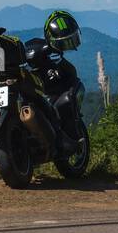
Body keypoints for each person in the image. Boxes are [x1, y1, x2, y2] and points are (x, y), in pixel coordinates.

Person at [24, 10, 86, 149]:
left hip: (34, 96)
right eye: (63, 42)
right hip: (33, 95)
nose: (67, 45)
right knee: (69, 97)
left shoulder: (49, 56)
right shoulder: (38, 51)